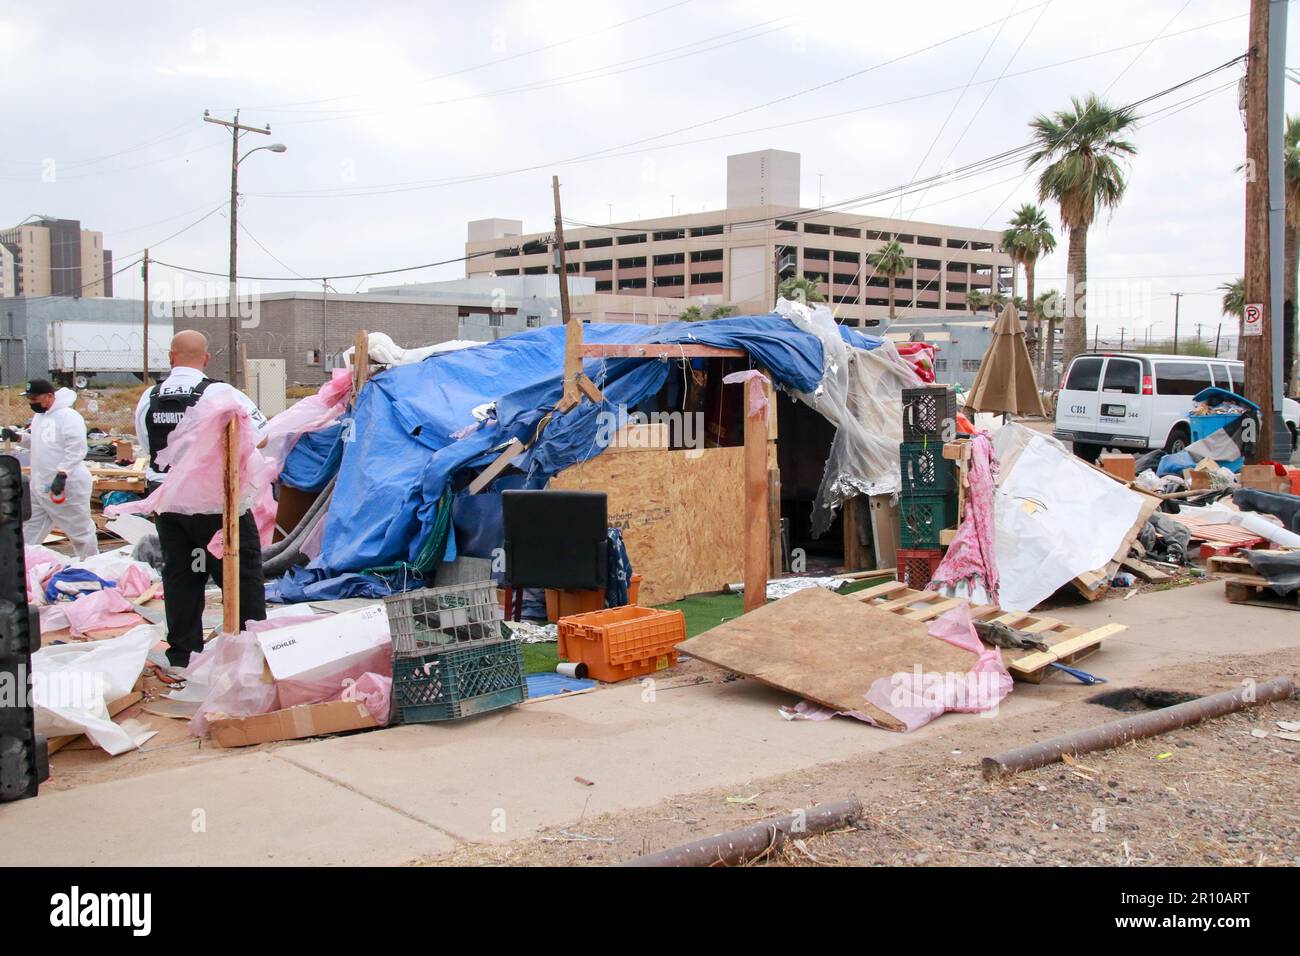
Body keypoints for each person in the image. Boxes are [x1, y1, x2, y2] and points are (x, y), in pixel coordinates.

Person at [133, 330, 269, 672]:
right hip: (215, 506)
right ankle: (249, 649)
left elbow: (150, 449)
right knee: (240, 575)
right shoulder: (221, 393)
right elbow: (261, 436)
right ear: (206, 358)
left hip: (169, 504)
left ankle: (183, 654)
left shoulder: (149, 397)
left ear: (170, 357)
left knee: (182, 575)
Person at [7, 379, 98, 559]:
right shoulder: (40, 416)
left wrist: (63, 474)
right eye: (29, 399)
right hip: (40, 486)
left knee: (80, 532)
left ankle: (93, 567)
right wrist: (17, 437)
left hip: (66, 486)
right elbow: (40, 441)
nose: (32, 403)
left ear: (49, 396)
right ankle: (20, 570)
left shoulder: (68, 416)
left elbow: (77, 448)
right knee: (28, 533)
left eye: (35, 398)